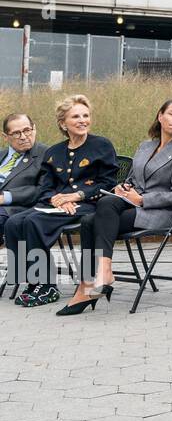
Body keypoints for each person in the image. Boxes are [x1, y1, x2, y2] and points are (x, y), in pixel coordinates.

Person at [59, 98, 172, 317]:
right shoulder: (146, 146)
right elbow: (133, 179)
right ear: (160, 117)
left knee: (92, 220)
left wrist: (142, 200)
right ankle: (94, 280)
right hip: (131, 204)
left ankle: (91, 283)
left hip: (160, 212)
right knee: (93, 215)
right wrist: (124, 188)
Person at [4, 95, 116, 307]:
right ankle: (29, 280)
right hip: (58, 205)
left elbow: (108, 182)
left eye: (86, 115)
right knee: (13, 223)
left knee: (32, 221)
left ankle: (46, 286)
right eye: (76, 116)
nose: (83, 120)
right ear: (63, 123)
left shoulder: (101, 145)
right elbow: (45, 187)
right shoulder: (54, 151)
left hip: (88, 204)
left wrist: (77, 196)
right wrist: (57, 200)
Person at [0, 112, 48, 234]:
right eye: (16, 133)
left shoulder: (47, 154)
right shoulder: (1, 155)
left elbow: (42, 189)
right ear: (5, 136)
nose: (23, 136)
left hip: (15, 208)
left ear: (34, 129)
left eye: (27, 130)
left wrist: (4, 198)